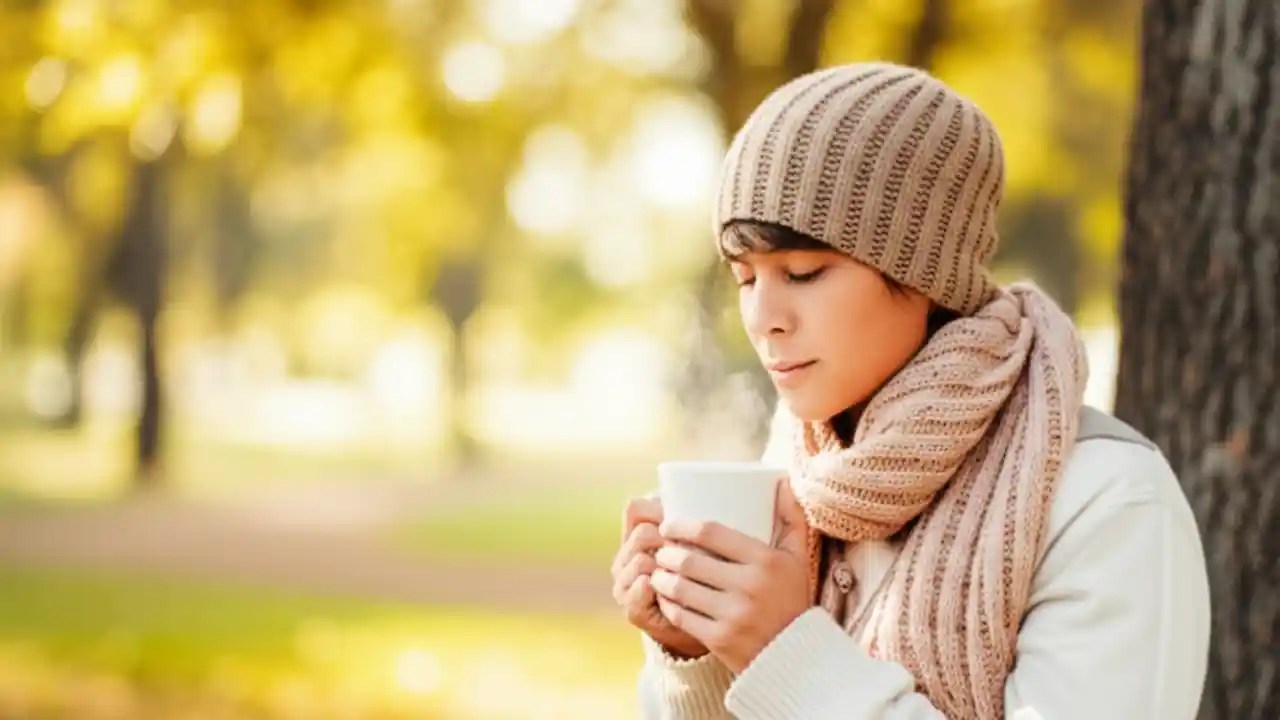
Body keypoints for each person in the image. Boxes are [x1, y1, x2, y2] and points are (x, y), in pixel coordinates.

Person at [610, 61, 1211, 719]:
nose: (763, 318)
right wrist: (696, 652)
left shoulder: (1107, 498)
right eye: (745, 278)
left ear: (927, 271)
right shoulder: (798, 471)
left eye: (803, 271)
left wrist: (783, 654)